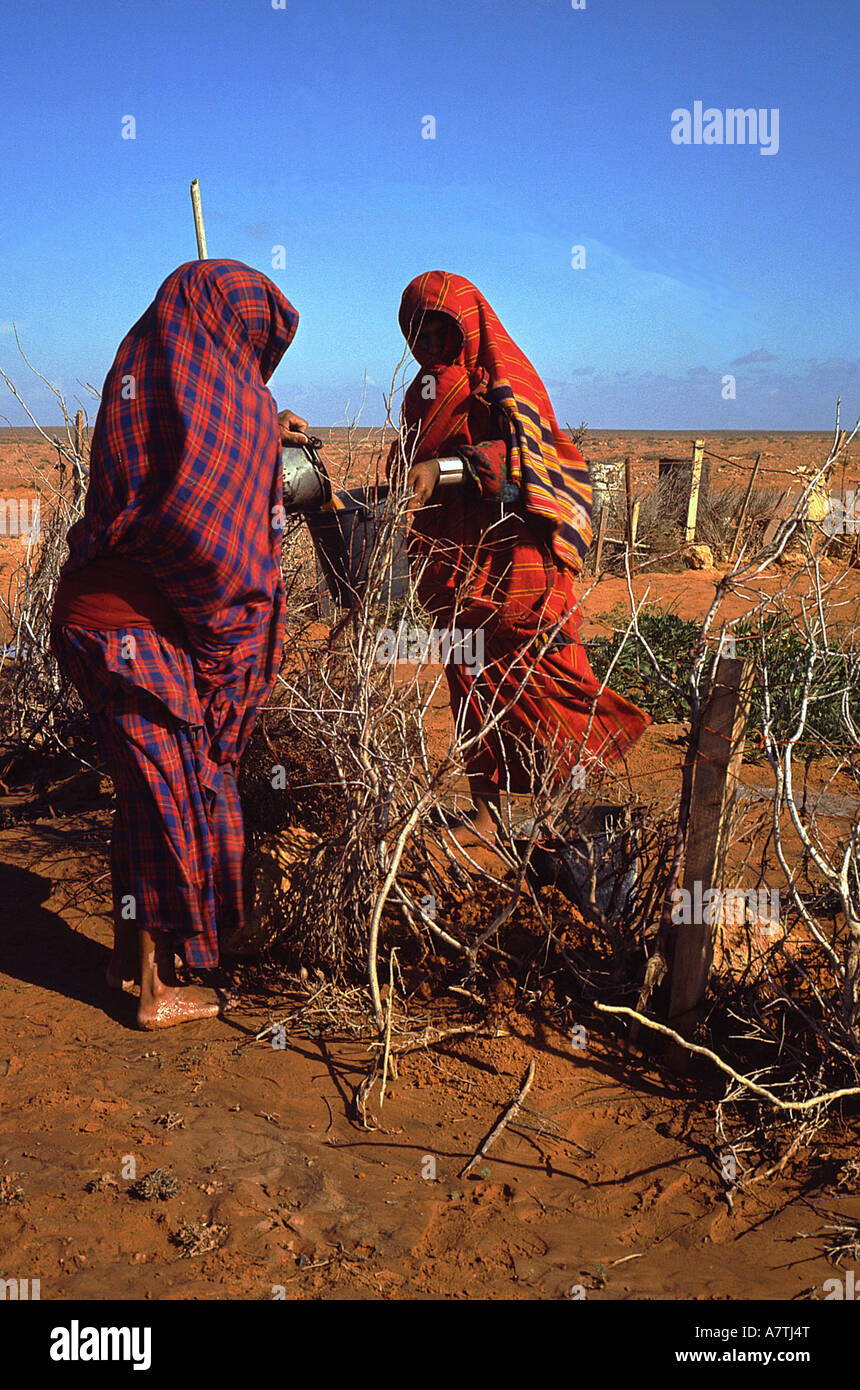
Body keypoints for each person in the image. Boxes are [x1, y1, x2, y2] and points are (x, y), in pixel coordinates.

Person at [51, 259, 307, 1028]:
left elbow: (185, 458)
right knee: (172, 800)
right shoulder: (243, 408)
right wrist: (267, 427)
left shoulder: (134, 374)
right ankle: (156, 996)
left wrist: (263, 421)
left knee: (142, 797)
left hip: (88, 616)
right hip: (132, 635)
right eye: (257, 342)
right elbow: (212, 538)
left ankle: (125, 961)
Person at [391, 270, 649, 840]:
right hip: (452, 559)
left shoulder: (499, 386)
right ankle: (487, 813)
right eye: (419, 332)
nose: (430, 345)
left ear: (466, 327)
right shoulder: (418, 394)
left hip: (514, 561)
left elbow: (533, 463)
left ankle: (564, 807)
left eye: (441, 330)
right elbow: (409, 457)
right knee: (469, 683)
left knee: (541, 678)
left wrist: (451, 469)